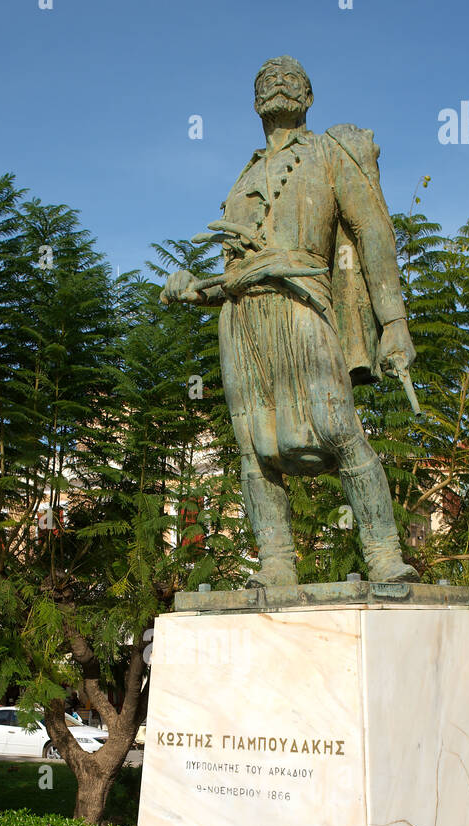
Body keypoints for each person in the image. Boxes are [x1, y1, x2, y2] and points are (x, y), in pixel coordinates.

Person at [161, 55, 418, 587]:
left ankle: (384, 554)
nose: (280, 85)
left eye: (292, 80)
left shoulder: (329, 153)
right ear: (256, 102)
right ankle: (276, 563)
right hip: (241, 317)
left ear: (309, 97)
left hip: (305, 304)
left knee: (336, 425)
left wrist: (394, 321)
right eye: (267, 81)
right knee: (253, 442)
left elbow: (373, 232)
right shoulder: (245, 174)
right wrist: (194, 287)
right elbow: (239, 271)